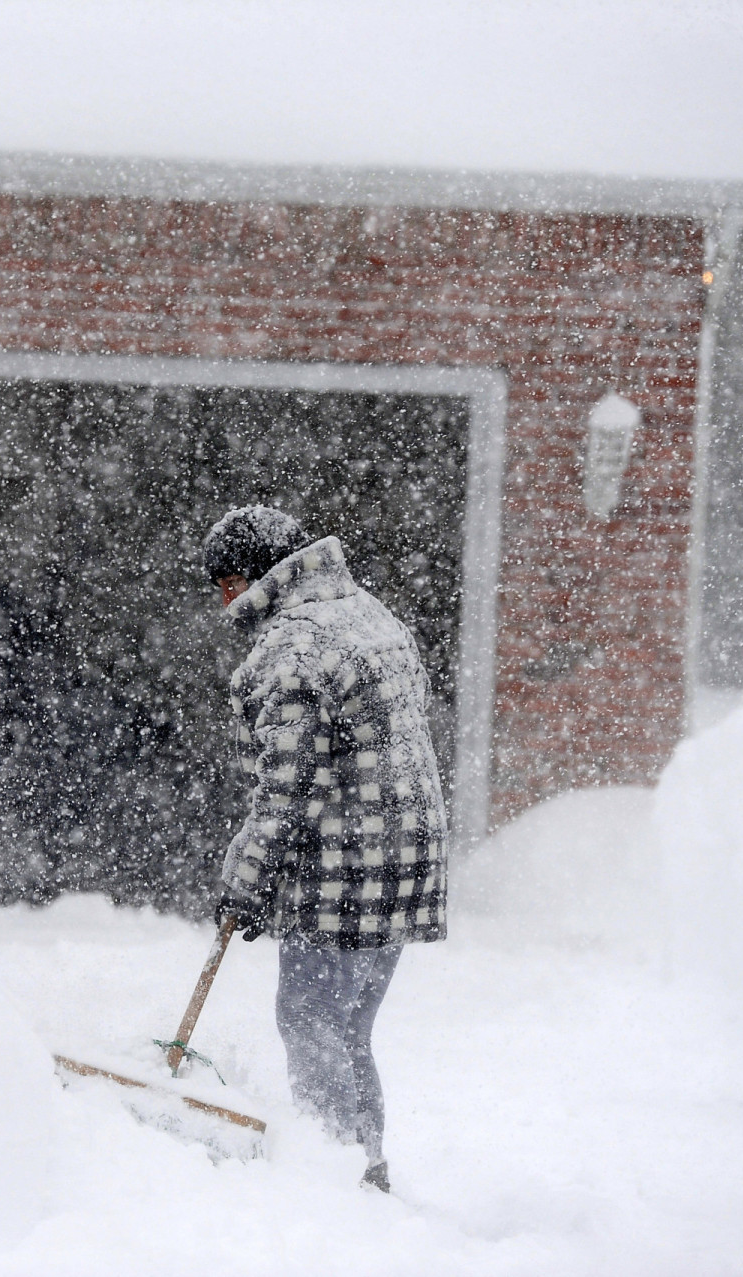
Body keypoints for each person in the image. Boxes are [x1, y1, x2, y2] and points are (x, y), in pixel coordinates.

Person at [201, 505, 448, 1192]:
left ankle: (336, 1181)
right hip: (407, 858)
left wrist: (247, 880)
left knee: (310, 1020)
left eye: (227, 584)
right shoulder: (366, 613)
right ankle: (366, 1169)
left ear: (253, 575)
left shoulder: (294, 648)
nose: (225, 602)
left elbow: (288, 788)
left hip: (346, 866)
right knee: (347, 1029)